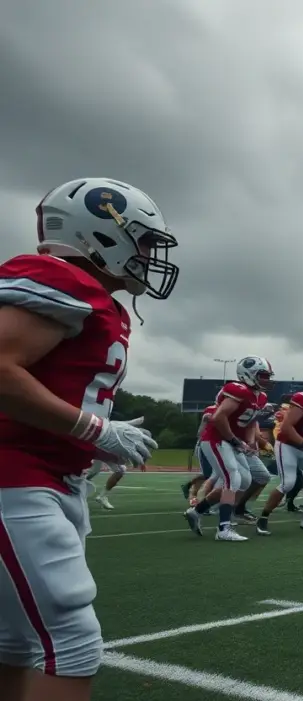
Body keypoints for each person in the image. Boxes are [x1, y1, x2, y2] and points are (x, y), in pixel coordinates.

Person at [0, 178, 177, 700]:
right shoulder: (60, 278)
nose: (148, 255)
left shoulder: (97, 299)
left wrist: (90, 434)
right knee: (71, 641)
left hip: (48, 476)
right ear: (103, 232)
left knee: (14, 639)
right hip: (16, 474)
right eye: (143, 241)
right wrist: (93, 428)